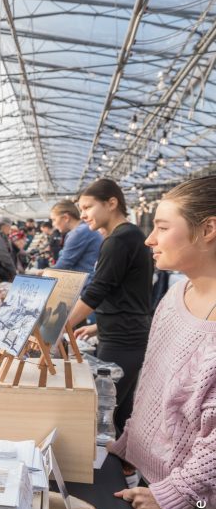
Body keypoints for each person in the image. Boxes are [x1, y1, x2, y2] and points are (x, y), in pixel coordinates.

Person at [108, 176, 216, 509]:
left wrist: (175, 493)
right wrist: (127, 447)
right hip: (155, 493)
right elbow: (154, 390)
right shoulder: (176, 296)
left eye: (162, 226)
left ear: (208, 230)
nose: (150, 239)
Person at [68, 179, 153, 440]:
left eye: (88, 207)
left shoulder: (119, 239)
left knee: (105, 413)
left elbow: (97, 291)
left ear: (111, 203)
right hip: (124, 333)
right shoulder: (129, 236)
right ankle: (126, 468)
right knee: (119, 410)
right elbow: (126, 292)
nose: (82, 214)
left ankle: (119, 470)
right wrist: (98, 325)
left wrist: (62, 324)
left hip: (123, 339)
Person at [51, 200, 103, 277]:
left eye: (54, 220)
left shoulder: (80, 232)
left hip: (86, 284)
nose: (53, 224)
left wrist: (45, 273)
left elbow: (63, 264)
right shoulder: (83, 229)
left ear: (66, 218)